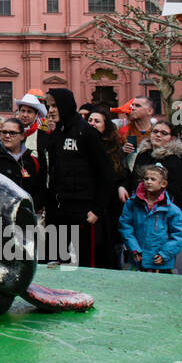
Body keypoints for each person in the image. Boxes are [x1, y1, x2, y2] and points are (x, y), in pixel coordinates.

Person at [38, 88, 114, 268]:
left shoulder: (86, 133)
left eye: (55, 106)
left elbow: (106, 173)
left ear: (66, 105)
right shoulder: (56, 134)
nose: (51, 110)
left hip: (83, 213)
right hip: (57, 212)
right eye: (49, 106)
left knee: (83, 265)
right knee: (53, 263)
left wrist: (97, 210)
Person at [119, 163, 182, 273]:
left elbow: (180, 234)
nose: (148, 182)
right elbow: (125, 226)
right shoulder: (132, 203)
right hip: (137, 260)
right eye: (146, 178)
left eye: (153, 179)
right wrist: (134, 248)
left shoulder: (171, 209)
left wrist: (165, 253)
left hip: (160, 263)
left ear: (163, 183)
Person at [88, 106, 129, 269]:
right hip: (90, 204)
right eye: (89, 120)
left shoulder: (115, 149)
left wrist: (121, 186)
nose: (92, 123)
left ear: (106, 126)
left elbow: (122, 175)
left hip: (110, 206)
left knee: (109, 247)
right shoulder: (84, 146)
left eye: (97, 121)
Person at [0, 118, 44, 209]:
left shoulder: (32, 161)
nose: (7, 136)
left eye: (12, 133)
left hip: (23, 218)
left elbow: (39, 191)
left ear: (22, 136)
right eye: (4, 132)